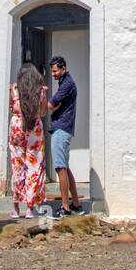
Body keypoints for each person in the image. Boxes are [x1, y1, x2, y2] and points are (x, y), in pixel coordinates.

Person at [8, 62, 48, 219]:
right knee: (34, 166)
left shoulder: (14, 89)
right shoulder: (40, 91)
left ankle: (16, 209)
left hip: (17, 127)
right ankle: (30, 208)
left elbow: (12, 108)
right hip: (34, 129)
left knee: (17, 166)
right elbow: (44, 111)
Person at [48, 55, 84, 216]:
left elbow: (50, 105)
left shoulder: (67, 85)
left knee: (60, 168)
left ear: (64, 68)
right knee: (65, 168)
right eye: (52, 71)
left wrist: (45, 100)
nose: (53, 74)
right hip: (64, 129)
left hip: (61, 129)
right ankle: (76, 204)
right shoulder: (65, 83)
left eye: (55, 71)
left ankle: (65, 207)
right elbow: (54, 106)